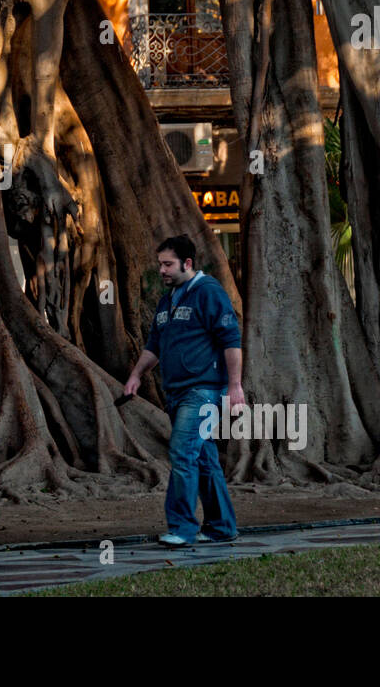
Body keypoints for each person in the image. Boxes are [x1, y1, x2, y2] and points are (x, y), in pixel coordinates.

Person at [124, 234, 244, 547]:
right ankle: (221, 527)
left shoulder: (209, 293)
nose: (161, 270)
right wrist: (136, 375)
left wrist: (235, 387)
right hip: (175, 393)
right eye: (160, 264)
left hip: (203, 391)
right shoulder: (168, 300)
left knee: (181, 451)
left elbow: (231, 340)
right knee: (203, 459)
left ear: (187, 263)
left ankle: (181, 528)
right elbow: (154, 346)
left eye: (168, 264)